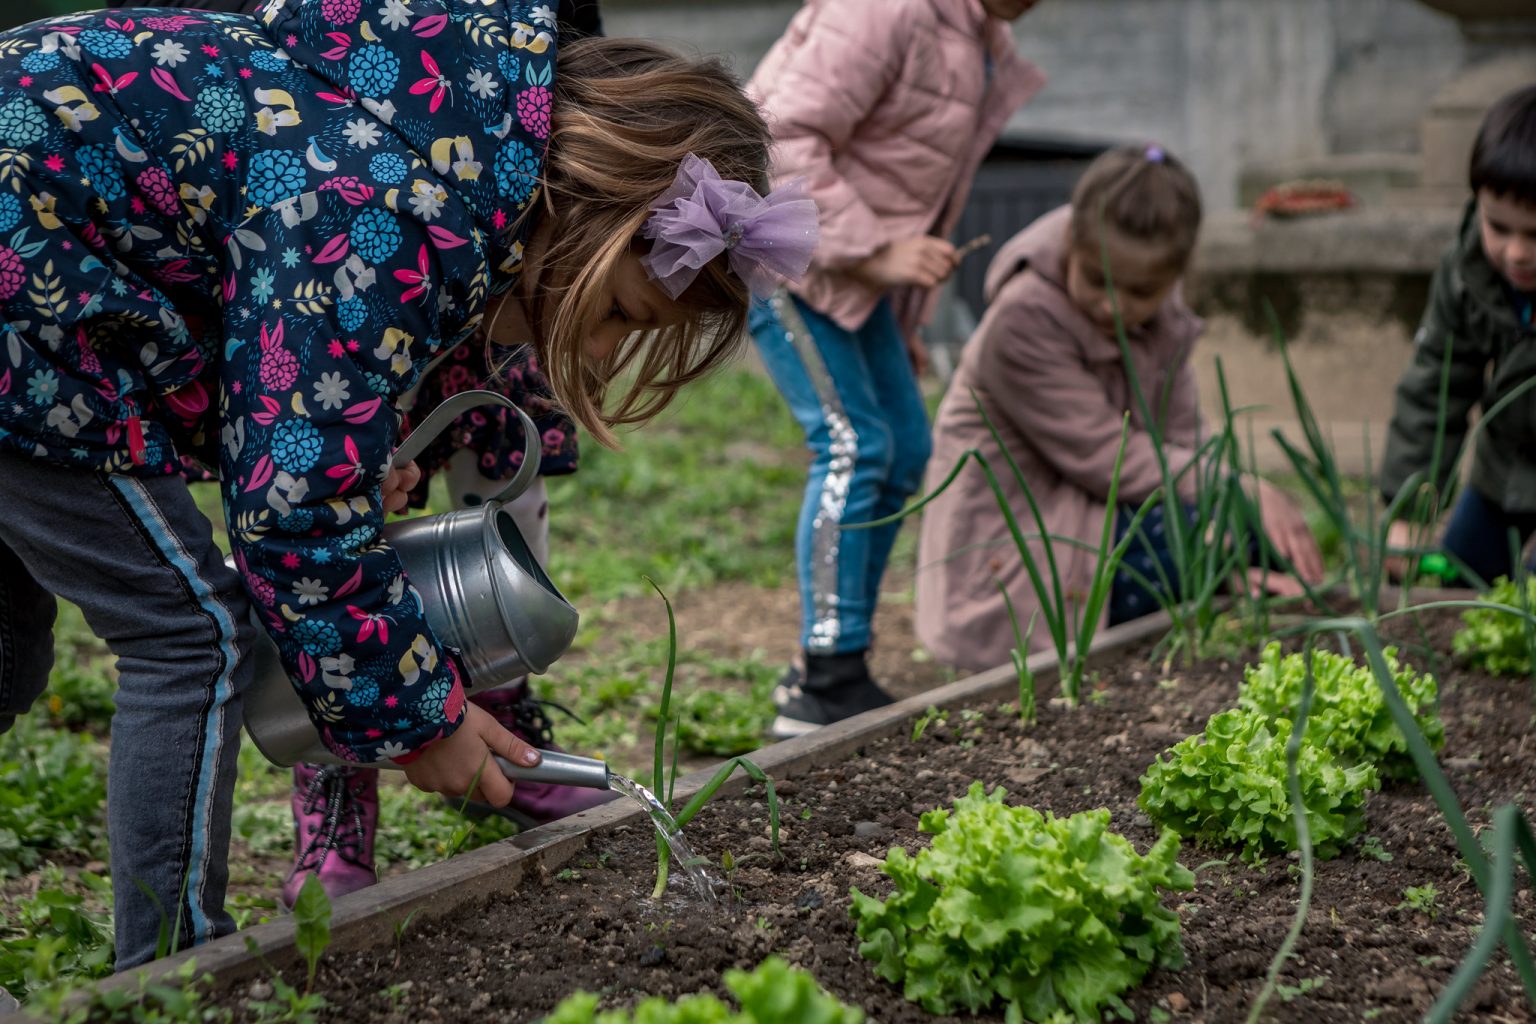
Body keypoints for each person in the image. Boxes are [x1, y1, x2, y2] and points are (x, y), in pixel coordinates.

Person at [0, 0, 815, 971]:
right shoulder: (397, 204)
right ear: (592, 221)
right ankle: (172, 980)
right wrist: (422, 718)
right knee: (192, 633)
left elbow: (249, 319)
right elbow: (294, 519)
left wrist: (344, 448)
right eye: (619, 315)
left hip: (38, 272)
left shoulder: (431, 137)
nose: (599, 353)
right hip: (26, 305)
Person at [99, 0, 611, 912]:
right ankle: (341, 773)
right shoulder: (347, 170)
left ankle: (496, 714)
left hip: (486, 215)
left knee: (475, 489)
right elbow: (295, 505)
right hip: (357, 227)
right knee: (323, 518)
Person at [747, 0, 1046, 738]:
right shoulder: (887, 9)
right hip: (788, 254)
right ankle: (826, 674)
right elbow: (778, 135)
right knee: (855, 444)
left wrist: (900, 311)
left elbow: (911, 183)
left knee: (905, 445)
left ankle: (833, 659)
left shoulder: (980, 34)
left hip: (853, 275)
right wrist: (878, 252)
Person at [915, 145, 1323, 672]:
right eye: (1096, 279)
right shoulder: (1020, 321)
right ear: (1071, 241)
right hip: (1018, 552)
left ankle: (1249, 586)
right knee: (1209, 529)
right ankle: (1228, 583)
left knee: (1247, 528)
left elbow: (1183, 437)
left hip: (1101, 519)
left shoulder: (1163, 313)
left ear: (1176, 276)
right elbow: (1108, 457)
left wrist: (1235, 509)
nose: (1113, 305)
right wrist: (1233, 491)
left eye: (1140, 291)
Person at [1382, 84, 1536, 587]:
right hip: (1504, 472)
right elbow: (1435, 388)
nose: (1516, 253)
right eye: (1499, 227)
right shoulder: (1468, 273)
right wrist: (1409, 508)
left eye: (1535, 234)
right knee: (1460, 586)